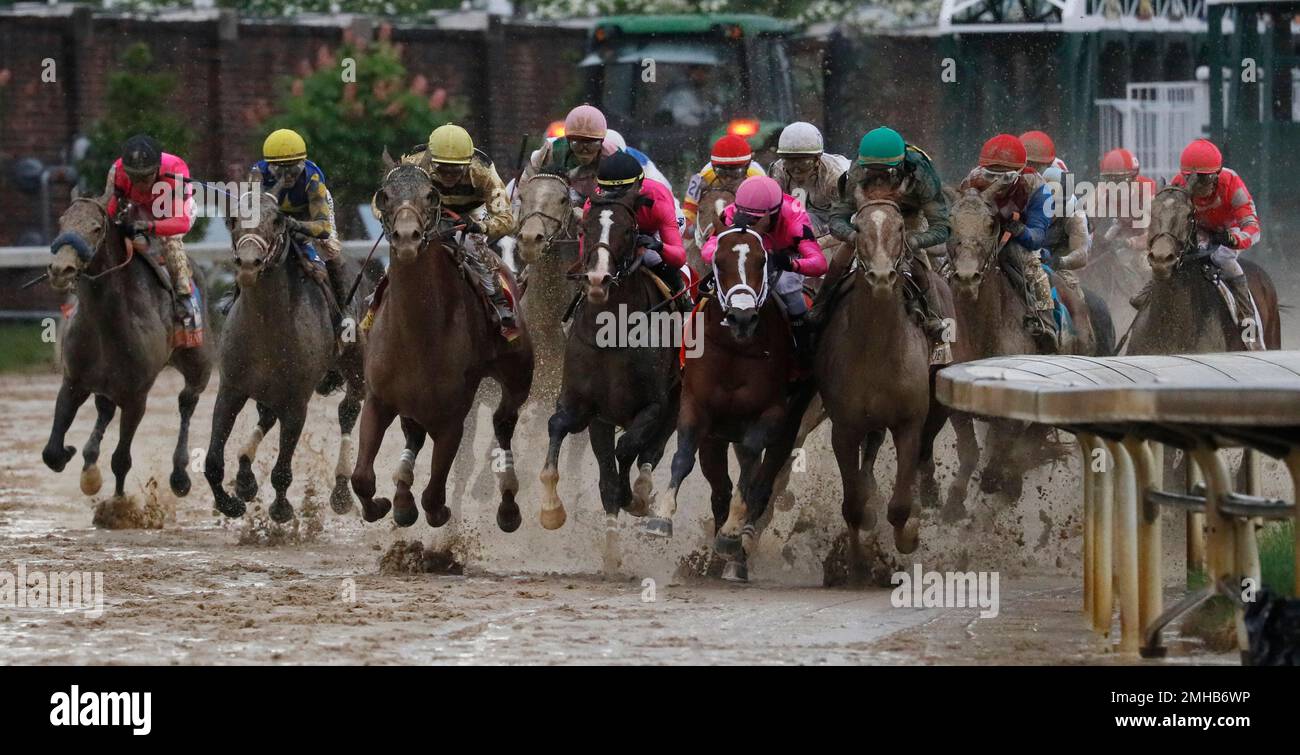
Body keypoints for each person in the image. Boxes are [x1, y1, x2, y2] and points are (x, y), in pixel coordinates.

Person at [387, 123, 519, 340]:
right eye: (442, 168)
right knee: (400, 255)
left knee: (473, 247)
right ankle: (375, 304)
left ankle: (500, 303)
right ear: (431, 163)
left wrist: (480, 227)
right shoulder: (414, 164)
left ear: (467, 163)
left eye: (455, 169)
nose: (448, 174)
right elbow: (381, 200)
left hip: (471, 214)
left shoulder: (483, 169)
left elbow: (506, 219)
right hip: (428, 214)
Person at [826, 127, 950, 343]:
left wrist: (915, 240)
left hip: (909, 218)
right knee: (842, 254)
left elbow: (942, 227)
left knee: (917, 258)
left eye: (885, 172)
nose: (879, 178)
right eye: (871, 171)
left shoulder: (921, 173)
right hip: (867, 217)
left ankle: (933, 316)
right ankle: (820, 307)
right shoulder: (857, 171)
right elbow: (837, 218)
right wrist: (853, 237)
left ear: (901, 165)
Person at [701, 175, 826, 359]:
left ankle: (803, 346)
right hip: (746, 256)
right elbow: (708, 249)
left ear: (774, 214)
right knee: (711, 286)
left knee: (787, 285)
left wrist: (791, 263)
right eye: (748, 219)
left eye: (758, 220)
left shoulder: (795, 218)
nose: (753, 225)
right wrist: (727, 257)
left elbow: (819, 263)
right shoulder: (730, 213)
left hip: (782, 255)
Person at [958, 133, 1056, 351]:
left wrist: (1020, 230)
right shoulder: (971, 181)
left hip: (1014, 241)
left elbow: (1038, 236)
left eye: (1004, 176)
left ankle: (1045, 322)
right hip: (980, 239)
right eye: (990, 174)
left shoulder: (1038, 188)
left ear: (1019, 173)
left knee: (1033, 270)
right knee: (949, 267)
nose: (995, 182)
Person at [1162, 139, 1262, 347]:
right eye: (1191, 179)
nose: (1196, 186)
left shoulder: (1232, 183)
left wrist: (1234, 239)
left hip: (1227, 232)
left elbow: (1253, 228)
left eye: (1203, 179)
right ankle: (1148, 295)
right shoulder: (1178, 185)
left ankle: (1248, 322)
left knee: (1222, 258)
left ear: (1216, 175)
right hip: (1197, 231)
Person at [105, 133, 202, 347]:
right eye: (134, 177)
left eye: (145, 177)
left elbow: (181, 222)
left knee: (170, 242)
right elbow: (109, 211)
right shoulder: (118, 170)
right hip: (138, 209)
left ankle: (185, 301)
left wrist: (149, 226)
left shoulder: (176, 169)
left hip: (173, 212)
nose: (139, 184)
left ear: (158, 169)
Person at [249, 128, 349, 308]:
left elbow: (324, 228)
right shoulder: (257, 174)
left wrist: (294, 224)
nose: (287, 177)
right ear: (269, 167)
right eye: (280, 171)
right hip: (273, 215)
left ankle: (344, 309)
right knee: (249, 247)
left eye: (293, 171)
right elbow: (254, 215)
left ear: (302, 164)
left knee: (330, 251)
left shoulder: (313, 178)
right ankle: (235, 294)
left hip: (309, 214)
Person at [579, 151, 688, 303]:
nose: (619, 200)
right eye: (611, 193)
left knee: (652, 258)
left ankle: (683, 301)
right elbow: (585, 252)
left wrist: (659, 246)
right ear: (600, 189)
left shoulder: (658, 200)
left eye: (624, 193)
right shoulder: (593, 204)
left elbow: (679, 257)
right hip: (619, 228)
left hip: (652, 228)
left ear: (639, 188)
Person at [767, 121, 850, 233]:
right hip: (794, 223)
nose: (796, 168)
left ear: (817, 159)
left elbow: (845, 219)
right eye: (789, 161)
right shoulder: (778, 170)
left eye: (803, 162)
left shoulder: (835, 176)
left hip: (829, 224)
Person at [683, 134, 766, 238]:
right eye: (721, 172)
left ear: (748, 166)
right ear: (713, 167)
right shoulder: (703, 177)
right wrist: (693, 230)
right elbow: (687, 215)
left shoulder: (759, 179)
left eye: (735, 172)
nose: (728, 179)